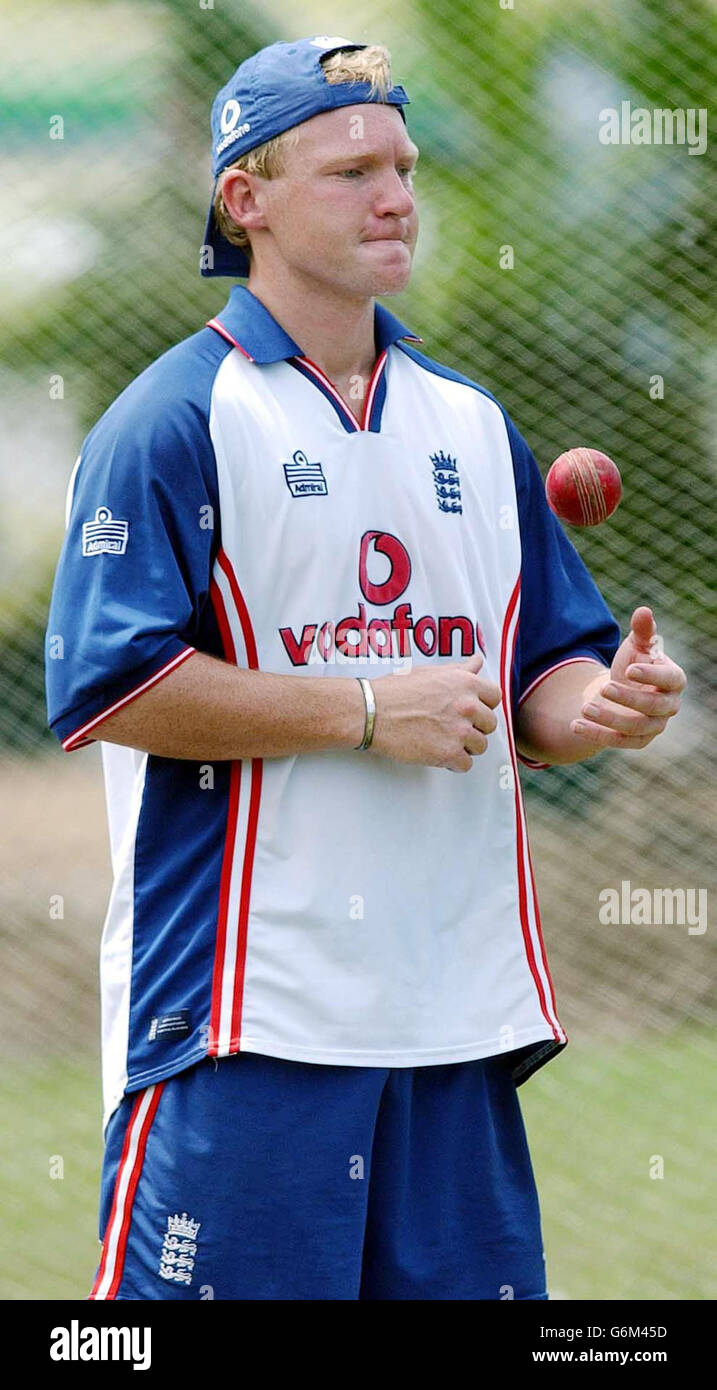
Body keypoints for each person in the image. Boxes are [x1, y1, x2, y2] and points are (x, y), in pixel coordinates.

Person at [45, 37, 686, 1301]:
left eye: (403, 164)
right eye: (351, 171)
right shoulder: (174, 421)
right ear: (246, 199)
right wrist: (361, 710)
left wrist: (602, 706)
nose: (396, 194)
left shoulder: (469, 421)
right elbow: (113, 688)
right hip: (246, 1020)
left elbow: (537, 679)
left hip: (456, 1018)